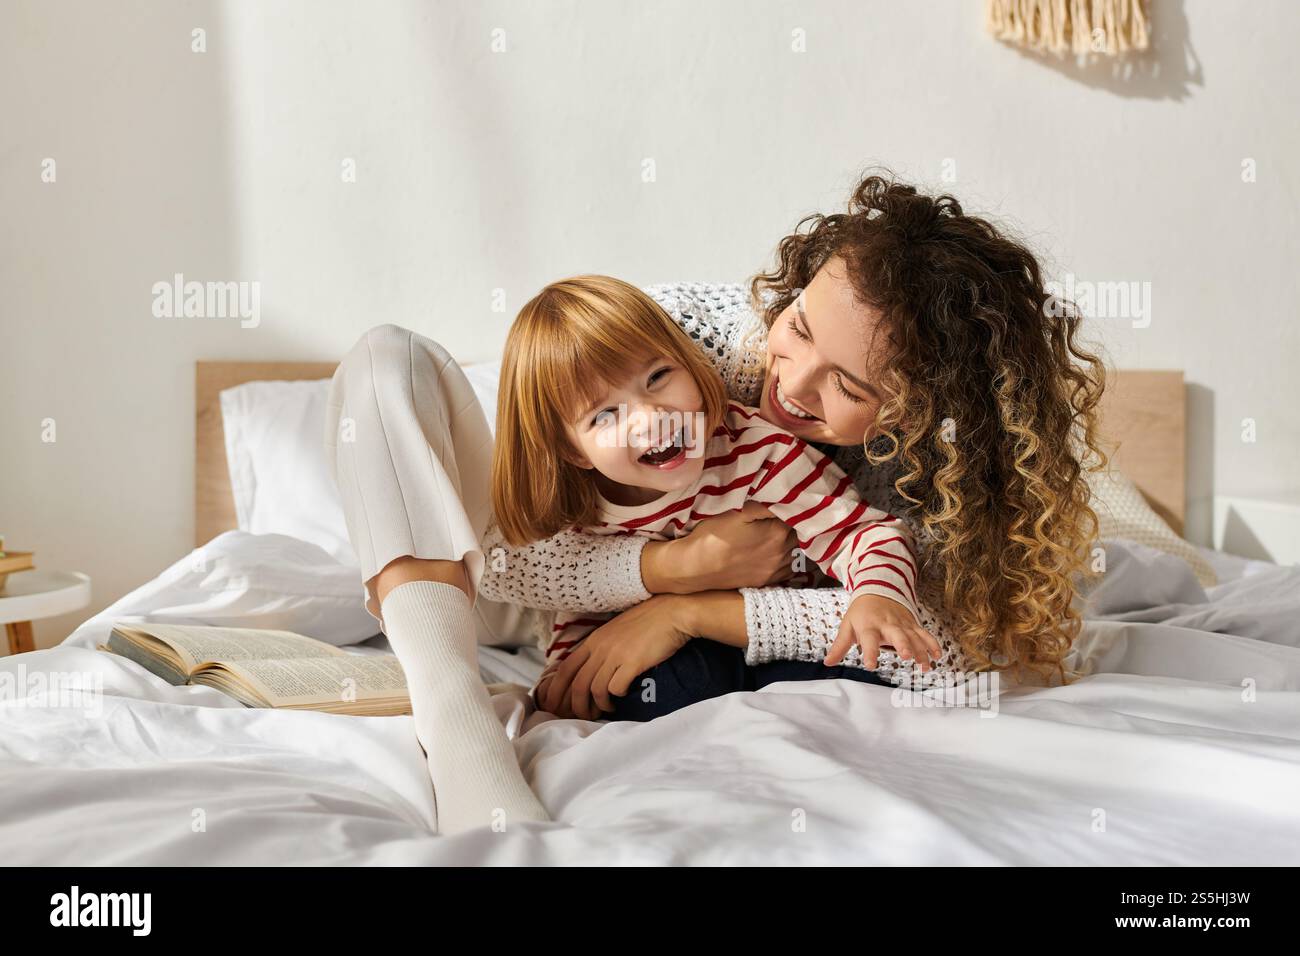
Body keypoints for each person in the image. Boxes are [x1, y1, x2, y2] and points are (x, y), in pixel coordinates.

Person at [323, 171, 1106, 834]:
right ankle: (456, 724)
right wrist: (669, 568)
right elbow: (504, 559)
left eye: (850, 385)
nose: (790, 386)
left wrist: (691, 608)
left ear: (929, 409)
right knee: (386, 359)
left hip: (640, 612)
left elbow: (939, 636)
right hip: (492, 561)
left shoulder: (944, 471)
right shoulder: (674, 346)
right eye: (797, 326)